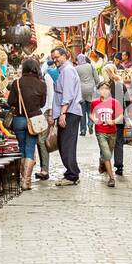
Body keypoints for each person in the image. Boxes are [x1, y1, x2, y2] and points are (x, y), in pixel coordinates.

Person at [5, 58, 47, 190]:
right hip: (34, 121)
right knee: (30, 148)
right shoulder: (41, 84)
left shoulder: (17, 83)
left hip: (18, 119)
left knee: (22, 148)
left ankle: (23, 178)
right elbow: (43, 104)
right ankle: (26, 181)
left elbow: (10, 102)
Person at [50, 47, 83, 185]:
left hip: (69, 112)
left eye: (57, 57)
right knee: (64, 144)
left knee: (67, 144)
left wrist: (63, 113)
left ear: (64, 56)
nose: (54, 60)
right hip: (66, 112)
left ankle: (71, 176)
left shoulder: (68, 70)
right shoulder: (63, 70)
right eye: (53, 58)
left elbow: (68, 94)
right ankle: (72, 172)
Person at [88, 81, 123, 188]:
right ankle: (111, 178)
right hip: (100, 131)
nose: (104, 91)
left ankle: (102, 161)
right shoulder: (94, 102)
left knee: (108, 153)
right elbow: (91, 113)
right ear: (98, 91)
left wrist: (114, 121)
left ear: (109, 91)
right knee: (107, 154)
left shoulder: (114, 102)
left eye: (106, 89)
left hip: (112, 131)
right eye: (102, 89)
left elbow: (121, 115)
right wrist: (94, 119)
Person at [34, 58, 55, 181]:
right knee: (39, 141)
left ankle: (45, 170)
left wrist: (51, 113)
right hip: (40, 113)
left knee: (42, 141)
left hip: (46, 112)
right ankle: (43, 168)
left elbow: (51, 96)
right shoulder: (38, 79)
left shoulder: (47, 77)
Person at [74, 53, 98, 136]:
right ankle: (90, 123)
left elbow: (74, 81)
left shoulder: (76, 68)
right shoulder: (91, 66)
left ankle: (83, 130)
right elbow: (97, 79)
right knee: (90, 109)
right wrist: (97, 86)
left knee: (82, 111)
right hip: (91, 90)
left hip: (80, 91)